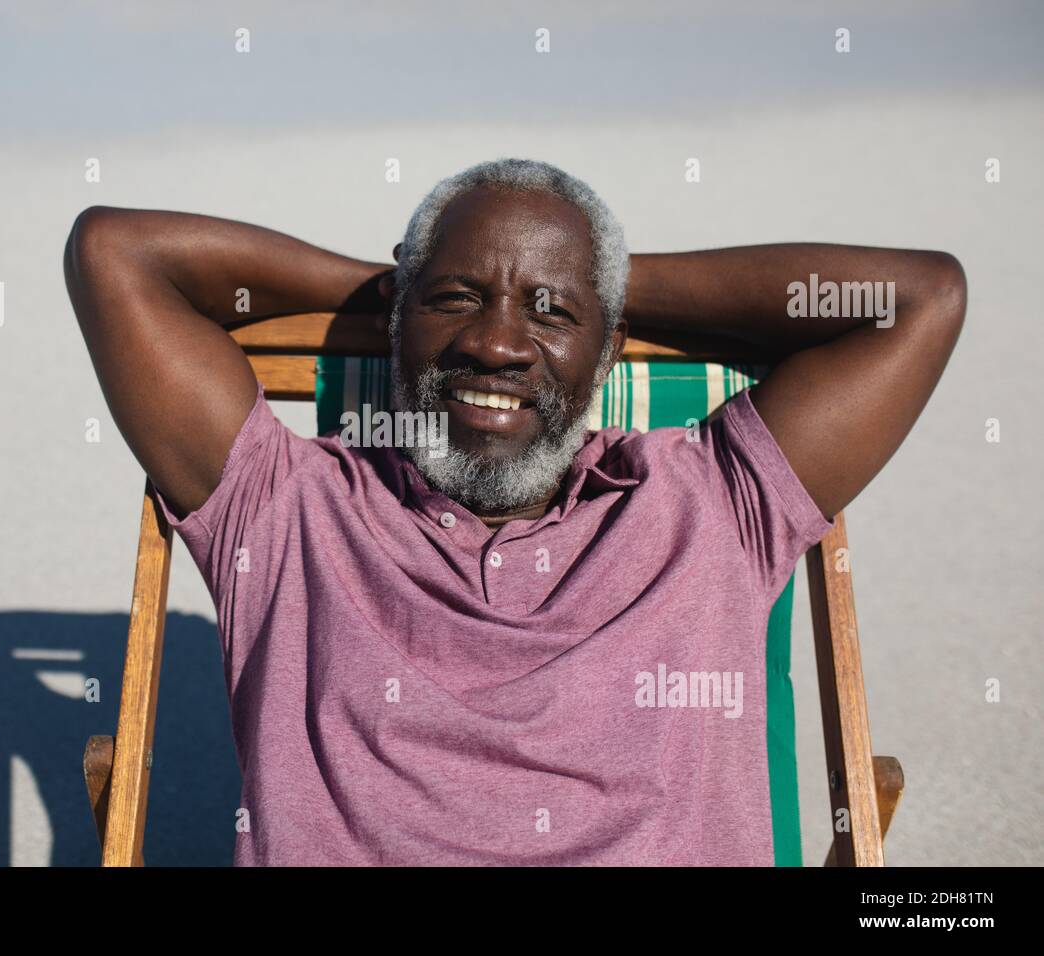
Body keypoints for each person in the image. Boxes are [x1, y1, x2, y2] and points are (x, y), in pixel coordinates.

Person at [63, 158, 966, 865]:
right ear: (398, 316)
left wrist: (603, 280)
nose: (495, 344)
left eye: (548, 313)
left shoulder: (714, 499)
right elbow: (115, 252)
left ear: (608, 350)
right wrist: (415, 281)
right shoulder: (287, 507)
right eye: (455, 301)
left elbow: (919, 299)